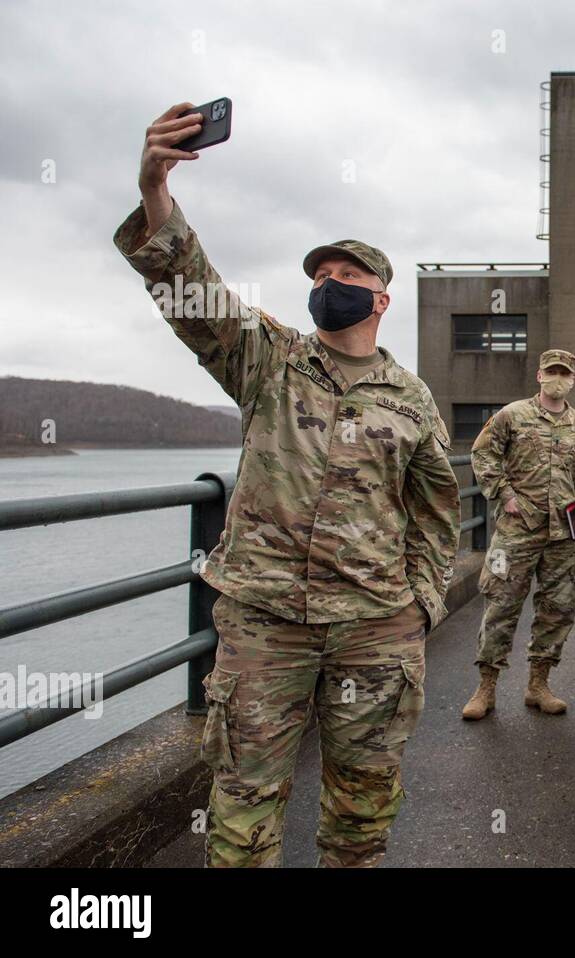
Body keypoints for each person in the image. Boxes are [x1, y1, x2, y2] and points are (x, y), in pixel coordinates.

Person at [114, 103, 461, 866]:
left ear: (381, 298)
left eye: (347, 275)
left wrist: (421, 605)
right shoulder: (268, 357)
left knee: (362, 815)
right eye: (319, 275)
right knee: (241, 817)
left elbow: (439, 513)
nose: (328, 283)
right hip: (265, 623)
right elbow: (190, 289)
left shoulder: (410, 398)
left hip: (374, 628)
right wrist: (155, 188)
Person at [461, 349, 575, 720]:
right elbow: (482, 455)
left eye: (564, 373)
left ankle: (539, 684)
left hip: (564, 534)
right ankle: (485, 688)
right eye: (552, 371)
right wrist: (504, 493)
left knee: (558, 609)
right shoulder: (512, 415)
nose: (558, 378)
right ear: (539, 376)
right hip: (516, 531)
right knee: (500, 605)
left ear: (572, 379)